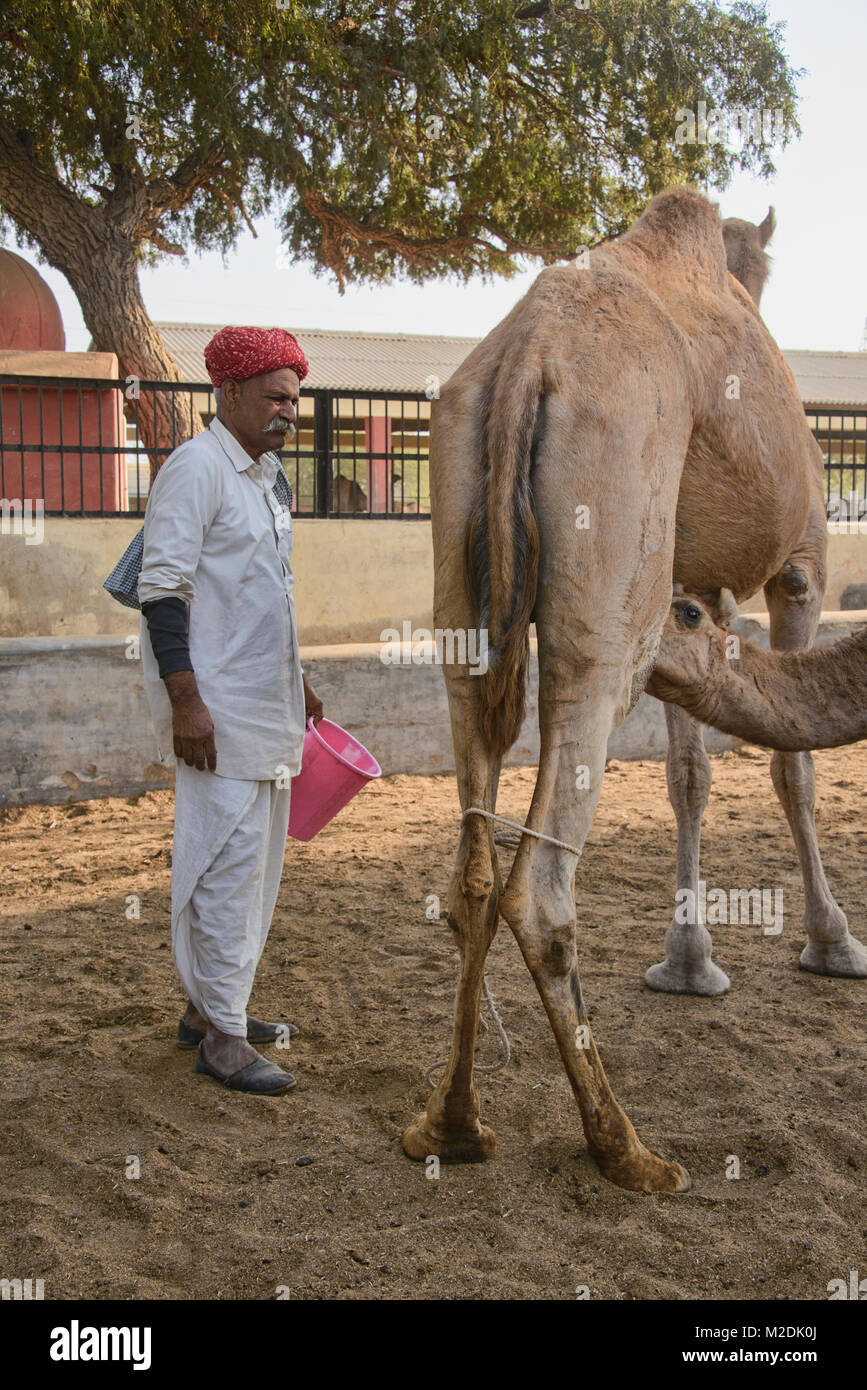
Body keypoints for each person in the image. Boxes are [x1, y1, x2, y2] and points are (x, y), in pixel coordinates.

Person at [138, 325, 323, 1095]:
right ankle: (222, 1038)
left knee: (248, 867)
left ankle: (207, 1008)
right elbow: (162, 588)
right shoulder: (197, 468)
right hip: (215, 711)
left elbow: (265, 592)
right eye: (277, 397)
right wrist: (188, 702)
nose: (290, 411)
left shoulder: (265, 477)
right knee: (225, 867)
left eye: (296, 398)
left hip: (262, 701)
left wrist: (298, 677)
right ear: (231, 393)